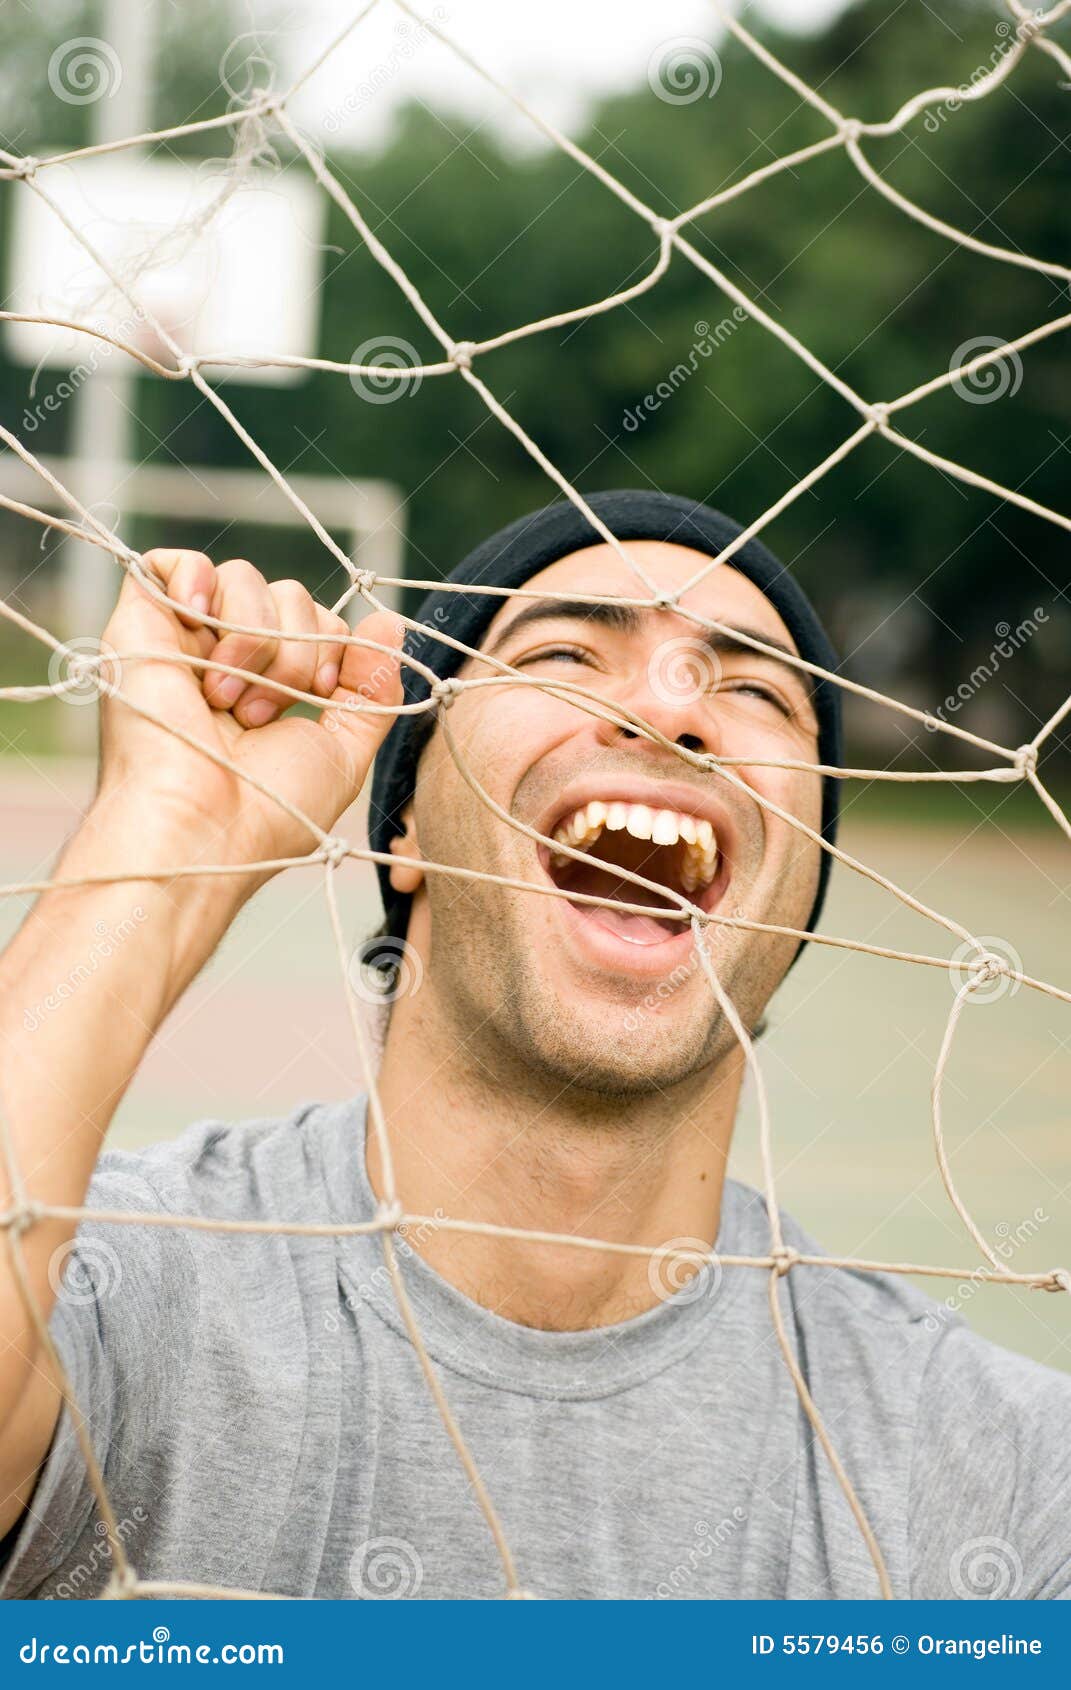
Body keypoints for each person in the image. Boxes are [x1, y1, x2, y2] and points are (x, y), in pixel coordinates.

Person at [0, 491, 1067, 1602]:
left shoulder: (997, 1477)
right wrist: (165, 836)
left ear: (798, 897)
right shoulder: (112, 1296)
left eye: (752, 687)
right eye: (564, 653)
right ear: (403, 819)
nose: (671, 710)